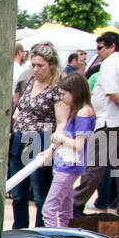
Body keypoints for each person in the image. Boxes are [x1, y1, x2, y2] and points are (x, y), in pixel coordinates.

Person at [76, 31, 119, 216]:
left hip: (110, 121)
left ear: (112, 46)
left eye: (100, 48)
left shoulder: (110, 63)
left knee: (94, 167)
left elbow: (112, 91)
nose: (98, 52)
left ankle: (76, 204)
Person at [8, 42, 67, 228]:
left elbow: (62, 122)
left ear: (51, 65)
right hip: (19, 138)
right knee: (17, 192)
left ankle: (41, 233)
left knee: (40, 194)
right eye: (33, 64)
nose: (35, 69)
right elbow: (21, 108)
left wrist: (51, 149)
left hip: (40, 140)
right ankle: (19, 230)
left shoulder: (57, 88)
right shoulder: (32, 81)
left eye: (40, 65)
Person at [43, 73, 95, 228]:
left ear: (75, 92)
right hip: (67, 165)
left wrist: (60, 139)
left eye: (64, 94)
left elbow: (79, 144)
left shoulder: (83, 112)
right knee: (65, 210)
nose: (62, 98)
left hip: (68, 166)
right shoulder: (80, 110)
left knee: (49, 209)